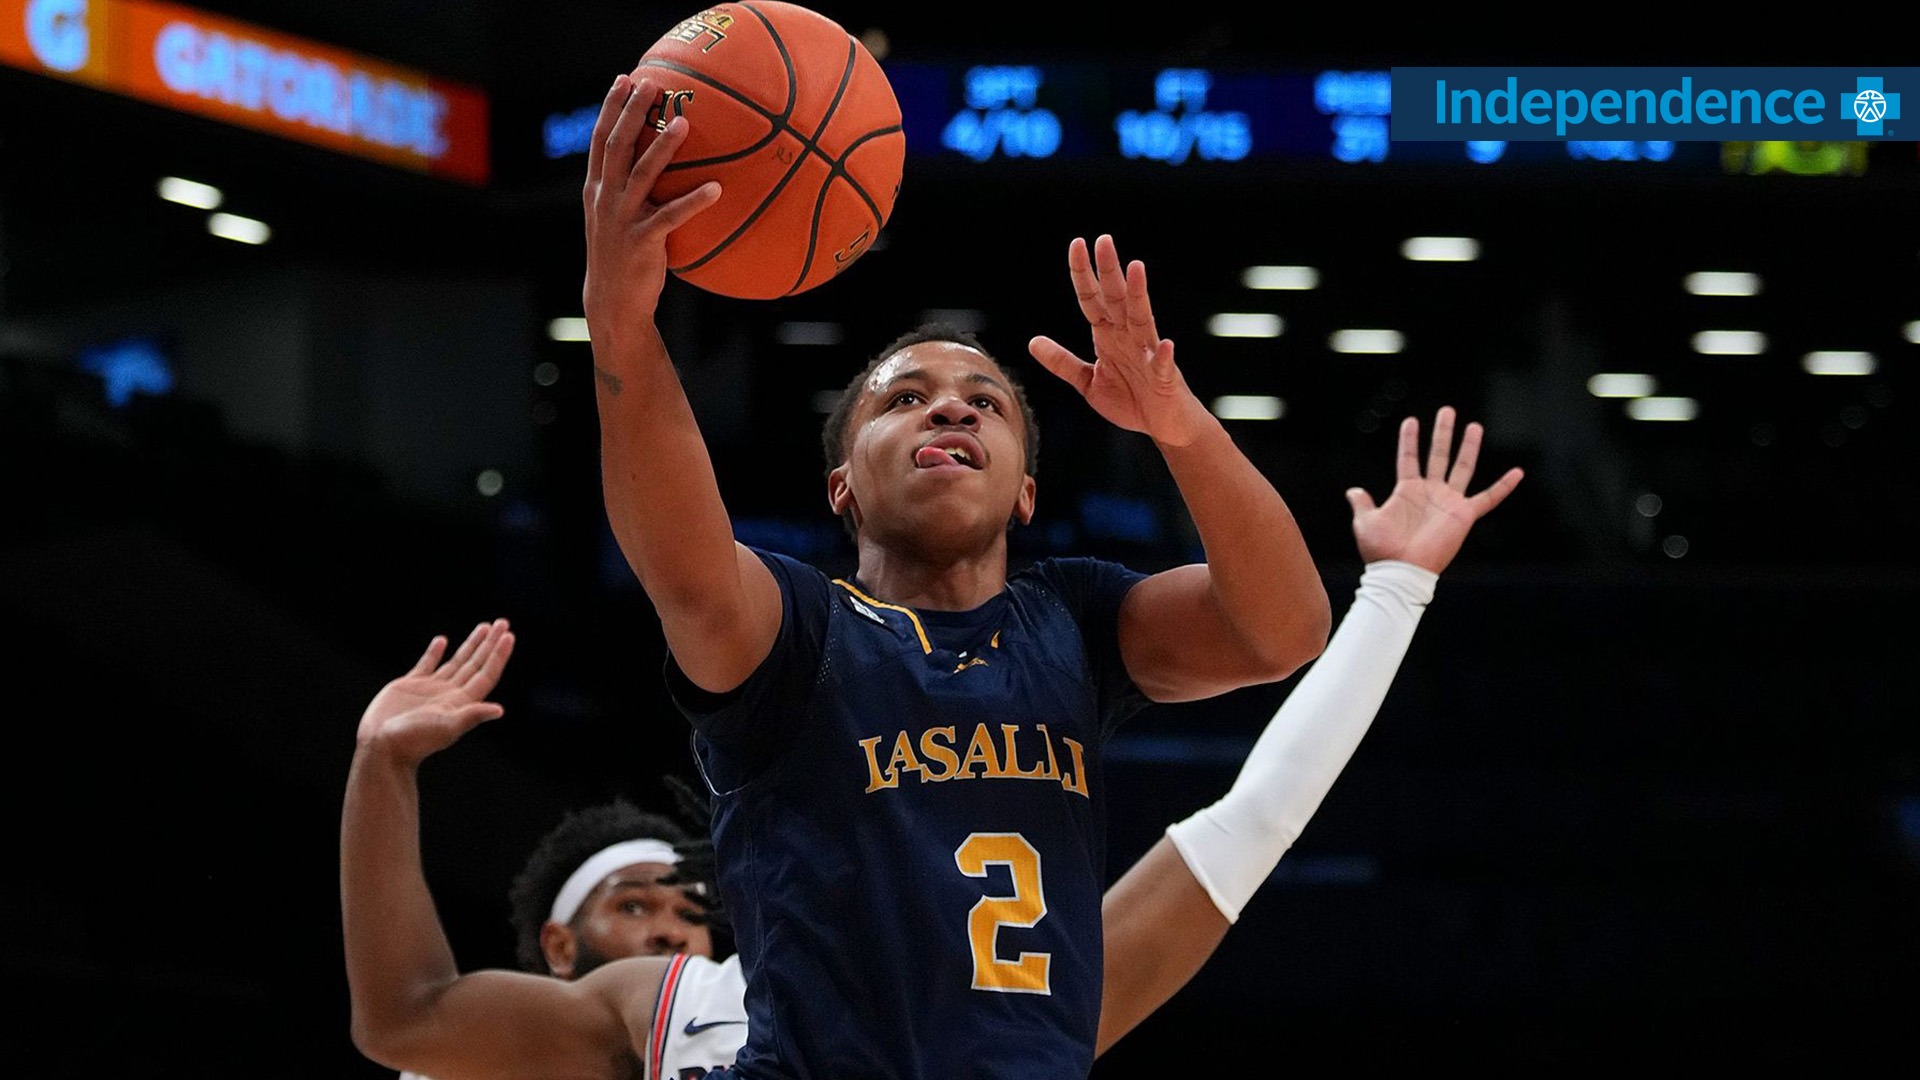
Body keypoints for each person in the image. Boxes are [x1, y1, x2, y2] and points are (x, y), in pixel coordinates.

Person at [343, 407, 1524, 1080]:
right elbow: (406, 1016)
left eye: (672, 903)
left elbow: (1254, 819)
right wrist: (382, 768)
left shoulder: (1017, 984)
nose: (663, 926)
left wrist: (1392, 597)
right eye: (632, 914)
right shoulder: (653, 1013)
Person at [579, 70, 1333, 1078]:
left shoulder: (1073, 619)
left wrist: (1180, 424)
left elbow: (1281, 632)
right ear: (842, 488)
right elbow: (689, 570)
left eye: (987, 401)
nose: (951, 408)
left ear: (1026, 491)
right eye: (904, 399)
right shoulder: (800, 632)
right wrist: (622, 325)